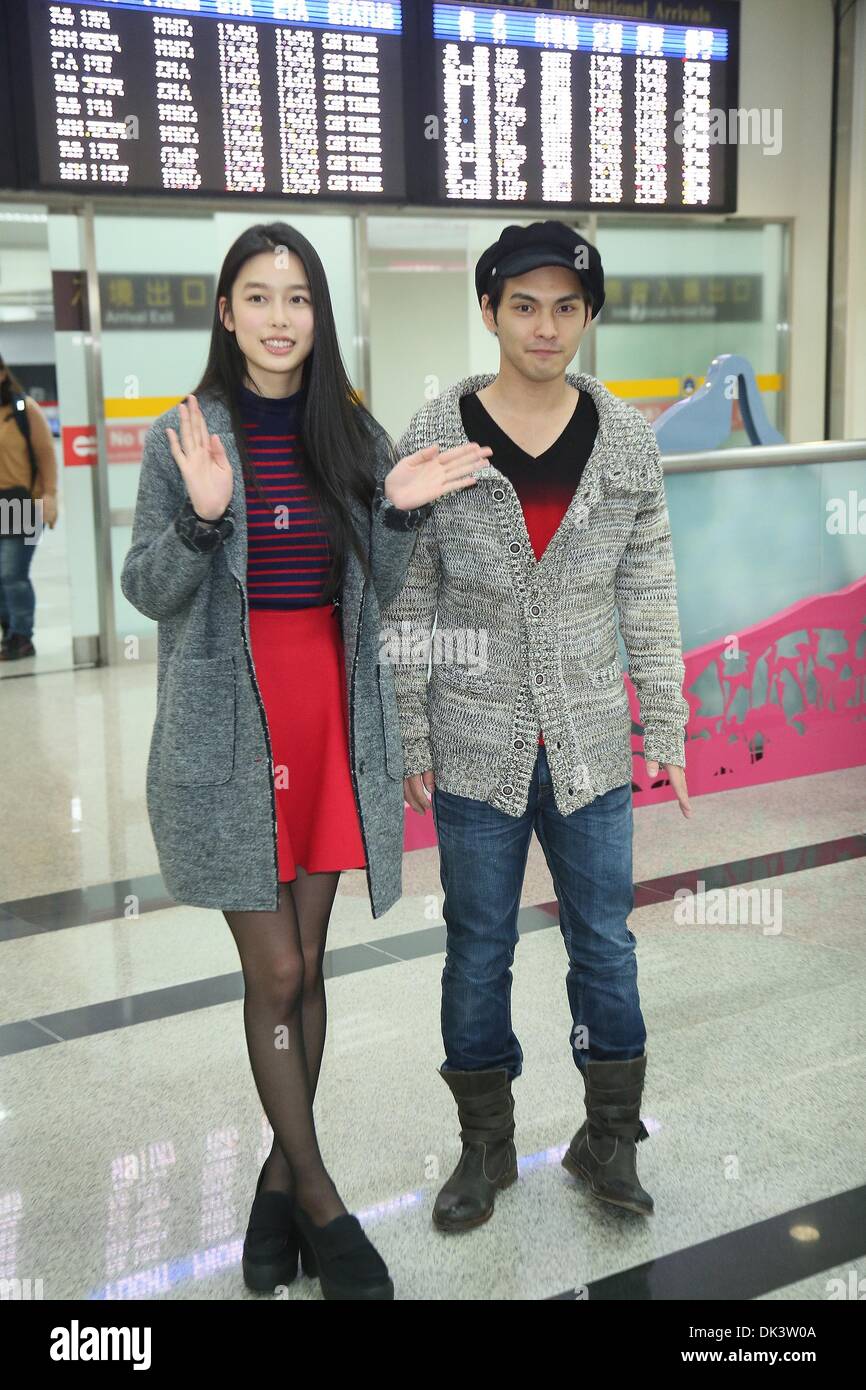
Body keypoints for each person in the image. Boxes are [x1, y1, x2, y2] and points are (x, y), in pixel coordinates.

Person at [120, 222, 489, 1299]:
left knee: (308, 968)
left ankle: (276, 1187)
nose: (280, 318)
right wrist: (198, 522)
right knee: (275, 970)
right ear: (225, 310)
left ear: (317, 316)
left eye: (299, 298)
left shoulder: (349, 429)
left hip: (330, 711)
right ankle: (320, 1197)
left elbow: (375, 576)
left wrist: (398, 511)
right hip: (233, 721)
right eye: (258, 296)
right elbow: (147, 587)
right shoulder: (186, 433)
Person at [380, 221, 692, 1233]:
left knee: (603, 944)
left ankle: (609, 1136)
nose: (544, 325)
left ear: (587, 317)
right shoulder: (435, 434)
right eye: (523, 304)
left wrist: (665, 726)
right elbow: (405, 600)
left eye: (565, 306)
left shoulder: (628, 440)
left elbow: (646, 592)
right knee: (477, 948)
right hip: (474, 745)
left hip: (592, 741)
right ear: (487, 310)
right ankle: (484, 1144)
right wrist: (410, 736)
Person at [0, 354, 58, 661]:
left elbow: (46, 455)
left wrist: (49, 496)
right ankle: (9, 632)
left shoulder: (23, 409)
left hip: (19, 501)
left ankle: (22, 636)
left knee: (13, 573)